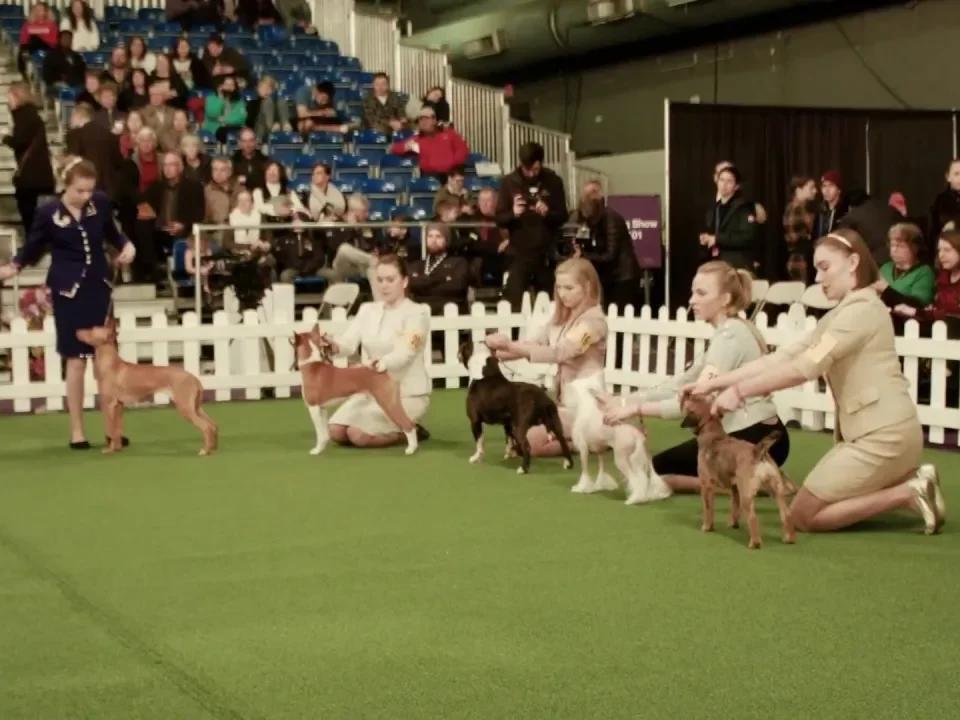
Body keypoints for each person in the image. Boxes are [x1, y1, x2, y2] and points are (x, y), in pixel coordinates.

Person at [687, 229, 945, 534]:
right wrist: (717, 385)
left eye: (824, 268)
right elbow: (781, 358)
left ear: (852, 262)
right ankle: (910, 479)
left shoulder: (861, 312)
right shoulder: (844, 312)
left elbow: (804, 368)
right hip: (875, 436)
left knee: (803, 517)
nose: (818, 278)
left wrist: (739, 391)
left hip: (883, 439)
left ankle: (908, 492)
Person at [600, 261, 789, 492]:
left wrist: (637, 409)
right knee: (656, 469)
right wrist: (626, 400)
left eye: (701, 293)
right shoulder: (730, 330)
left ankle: (752, 482)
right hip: (759, 433)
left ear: (725, 299)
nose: (691, 300)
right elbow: (681, 384)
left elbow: (694, 404)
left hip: (752, 436)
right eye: (693, 292)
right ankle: (754, 476)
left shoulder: (729, 337)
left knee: (657, 473)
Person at [0, 160, 136, 449]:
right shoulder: (48, 211)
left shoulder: (99, 203)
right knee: (75, 361)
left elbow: (113, 233)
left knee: (107, 363)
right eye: (80, 190)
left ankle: (113, 430)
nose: (86, 196)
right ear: (66, 184)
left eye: (90, 190)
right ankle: (77, 431)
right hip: (68, 292)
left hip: (99, 288)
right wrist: (14, 266)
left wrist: (127, 246)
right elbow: (33, 246)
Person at [484, 258, 607, 455]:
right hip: (561, 401)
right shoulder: (561, 318)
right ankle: (588, 437)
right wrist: (495, 353)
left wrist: (508, 345)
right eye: (559, 288)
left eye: (569, 288)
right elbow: (535, 343)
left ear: (588, 286)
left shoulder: (594, 322)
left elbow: (561, 352)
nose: (562, 294)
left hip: (584, 403)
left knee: (528, 441)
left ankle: (595, 440)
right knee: (521, 432)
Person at [317, 255, 431, 448]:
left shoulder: (418, 313)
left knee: (357, 435)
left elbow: (406, 353)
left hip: (406, 393)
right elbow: (348, 343)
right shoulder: (367, 310)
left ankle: (412, 430)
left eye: (390, 279)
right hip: (371, 390)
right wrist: (333, 346)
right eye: (380, 280)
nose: (384, 285)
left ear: (404, 281)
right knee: (336, 431)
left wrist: (379, 364)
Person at [495, 141, 568, 310]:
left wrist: (547, 212)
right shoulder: (509, 182)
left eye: (534, 169)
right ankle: (512, 335)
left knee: (550, 304)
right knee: (514, 303)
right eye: (526, 169)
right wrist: (513, 213)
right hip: (519, 252)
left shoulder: (553, 181)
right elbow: (499, 218)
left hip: (546, 253)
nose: (530, 174)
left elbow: (562, 215)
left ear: (541, 164)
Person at [570, 183, 640, 309]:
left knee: (619, 317)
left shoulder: (611, 218)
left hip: (622, 277)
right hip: (606, 276)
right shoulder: (584, 217)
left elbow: (610, 254)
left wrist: (583, 255)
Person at [3, 83, 55, 239]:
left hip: (31, 176)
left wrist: (5, 137)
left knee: (28, 210)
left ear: (18, 97)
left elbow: (19, 141)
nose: (7, 100)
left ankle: (34, 245)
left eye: (10, 96)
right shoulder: (31, 114)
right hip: (39, 174)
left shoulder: (24, 115)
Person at [893, 229, 960, 327]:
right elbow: (939, 311)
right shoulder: (943, 277)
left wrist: (917, 312)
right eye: (939, 250)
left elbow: (953, 314)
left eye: (947, 250)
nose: (941, 255)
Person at [700, 164, 757, 272]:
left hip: (736, 266)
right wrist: (707, 239)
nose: (724, 185)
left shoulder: (744, 208)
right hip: (717, 264)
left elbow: (747, 237)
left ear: (736, 186)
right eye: (721, 180)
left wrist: (717, 239)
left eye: (729, 181)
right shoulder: (714, 208)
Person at [389, 106, 469, 183]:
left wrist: (454, 166)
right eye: (420, 120)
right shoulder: (417, 139)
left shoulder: (449, 133)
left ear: (434, 120)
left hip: (452, 174)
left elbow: (462, 149)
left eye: (426, 119)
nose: (423, 122)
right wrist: (405, 147)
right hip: (430, 176)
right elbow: (394, 148)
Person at [65, 102, 124, 201]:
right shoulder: (108, 134)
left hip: (85, 188)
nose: (71, 120)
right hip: (108, 188)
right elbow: (118, 162)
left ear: (78, 116)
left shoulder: (75, 135)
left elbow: (72, 162)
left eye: (72, 116)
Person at [408, 223, 469, 315]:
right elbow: (411, 285)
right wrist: (442, 279)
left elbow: (457, 287)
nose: (433, 240)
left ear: (446, 240)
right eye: (430, 236)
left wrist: (424, 283)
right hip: (421, 314)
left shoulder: (459, 262)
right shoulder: (417, 264)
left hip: (450, 314)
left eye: (438, 236)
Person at [873, 223, 935, 310]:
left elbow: (918, 305)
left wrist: (886, 290)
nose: (894, 250)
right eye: (892, 245)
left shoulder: (924, 272)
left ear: (915, 248)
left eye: (900, 246)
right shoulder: (886, 267)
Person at [782, 175, 817, 282]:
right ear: (798, 189)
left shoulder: (802, 208)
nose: (815, 191)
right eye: (811, 187)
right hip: (800, 260)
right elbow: (793, 237)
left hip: (802, 258)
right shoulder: (796, 208)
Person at [928, 159, 960, 256]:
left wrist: (956, 223)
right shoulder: (940, 200)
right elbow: (933, 231)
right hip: (946, 253)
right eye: (957, 174)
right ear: (948, 177)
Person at [202, 76, 247, 142]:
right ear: (220, 86)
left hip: (233, 132)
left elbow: (241, 118)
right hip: (213, 132)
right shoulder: (211, 98)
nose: (229, 87)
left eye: (231, 85)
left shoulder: (239, 102)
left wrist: (223, 119)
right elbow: (212, 113)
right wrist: (220, 99)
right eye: (226, 84)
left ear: (234, 88)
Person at [18, 3, 58, 75]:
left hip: (48, 46)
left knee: (34, 38)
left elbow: (54, 41)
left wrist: (40, 37)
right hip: (32, 46)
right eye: (37, 10)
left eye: (41, 10)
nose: (38, 12)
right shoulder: (28, 24)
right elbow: (23, 39)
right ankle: (23, 71)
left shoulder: (51, 24)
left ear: (45, 12)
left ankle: (27, 55)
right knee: (24, 47)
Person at [250, 75, 292, 143]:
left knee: (281, 101)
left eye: (269, 88)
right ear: (258, 89)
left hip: (279, 129)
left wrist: (280, 125)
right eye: (263, 88)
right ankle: (272, 127)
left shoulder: (277, 102)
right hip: (260, 133)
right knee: (268, 102)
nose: (266, 91)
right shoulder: (253, 103)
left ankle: (285, 125)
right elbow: (251, 122)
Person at [814, 170, 847, 239]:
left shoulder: (846, 211)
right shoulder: (820, 211)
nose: (826, 190)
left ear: (839, 190)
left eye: (831, 185)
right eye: (824, 186)